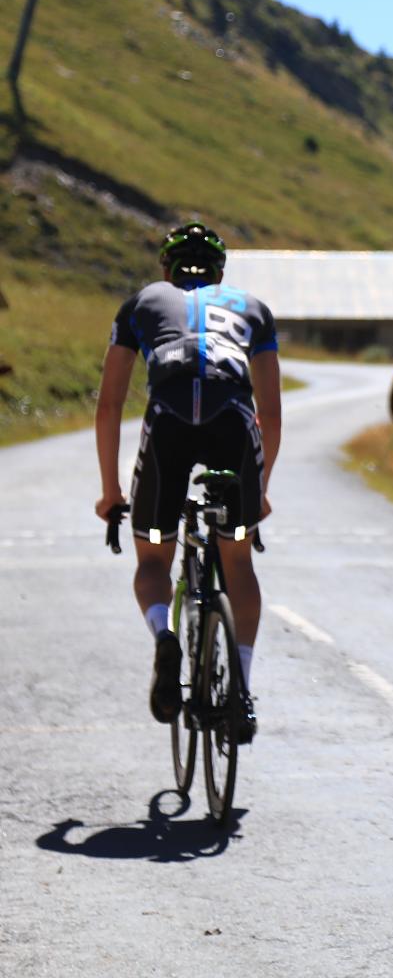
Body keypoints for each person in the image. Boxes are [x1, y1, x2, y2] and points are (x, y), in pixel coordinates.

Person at [94, 222, 281, 743]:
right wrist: (258, 491)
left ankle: (164, 636)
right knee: (237, 558)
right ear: (222, 273)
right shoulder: (254, 308)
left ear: (166, 269)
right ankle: (240, 687)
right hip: (233, 424)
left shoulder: (141, 303)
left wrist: (111, 492)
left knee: (153, 555)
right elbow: (271, 413)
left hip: (170, 422)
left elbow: (110, 404)